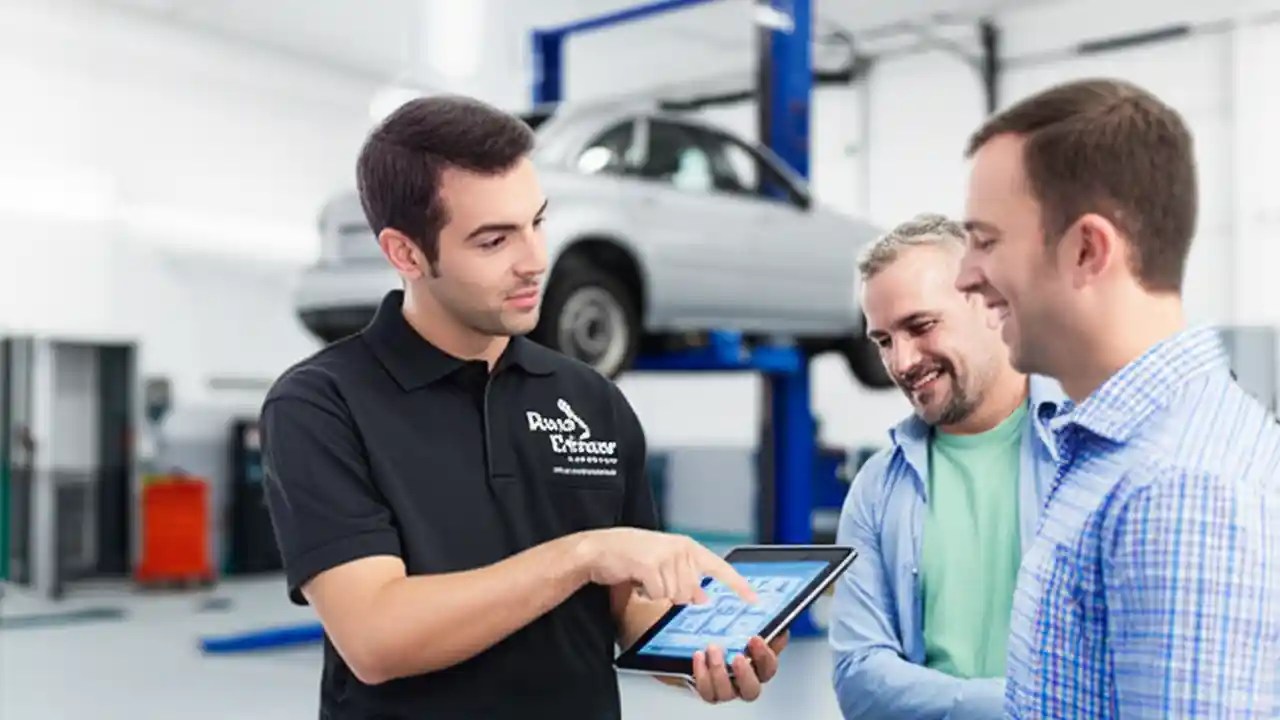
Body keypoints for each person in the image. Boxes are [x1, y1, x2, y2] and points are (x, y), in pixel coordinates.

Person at [259, 94, 785, 720]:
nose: (535, 260)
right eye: (493, 240)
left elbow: (624, 607)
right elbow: (376, 636)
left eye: (537, 222)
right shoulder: (321, 405)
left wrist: (705, 651)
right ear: (405, 253)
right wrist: (582, 553)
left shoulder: (591, 400)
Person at [958, 77, 1280, 717]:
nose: (965, 275)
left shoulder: (1182, 489)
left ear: (1085, 249)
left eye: (986, 240)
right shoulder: (1112, 447)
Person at [828, 213, 1066, 719]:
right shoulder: (876, 489)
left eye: (920, 326)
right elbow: (860, 677)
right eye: (884, 340)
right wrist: (1031, 707)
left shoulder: (1092, 451)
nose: (902, 361)